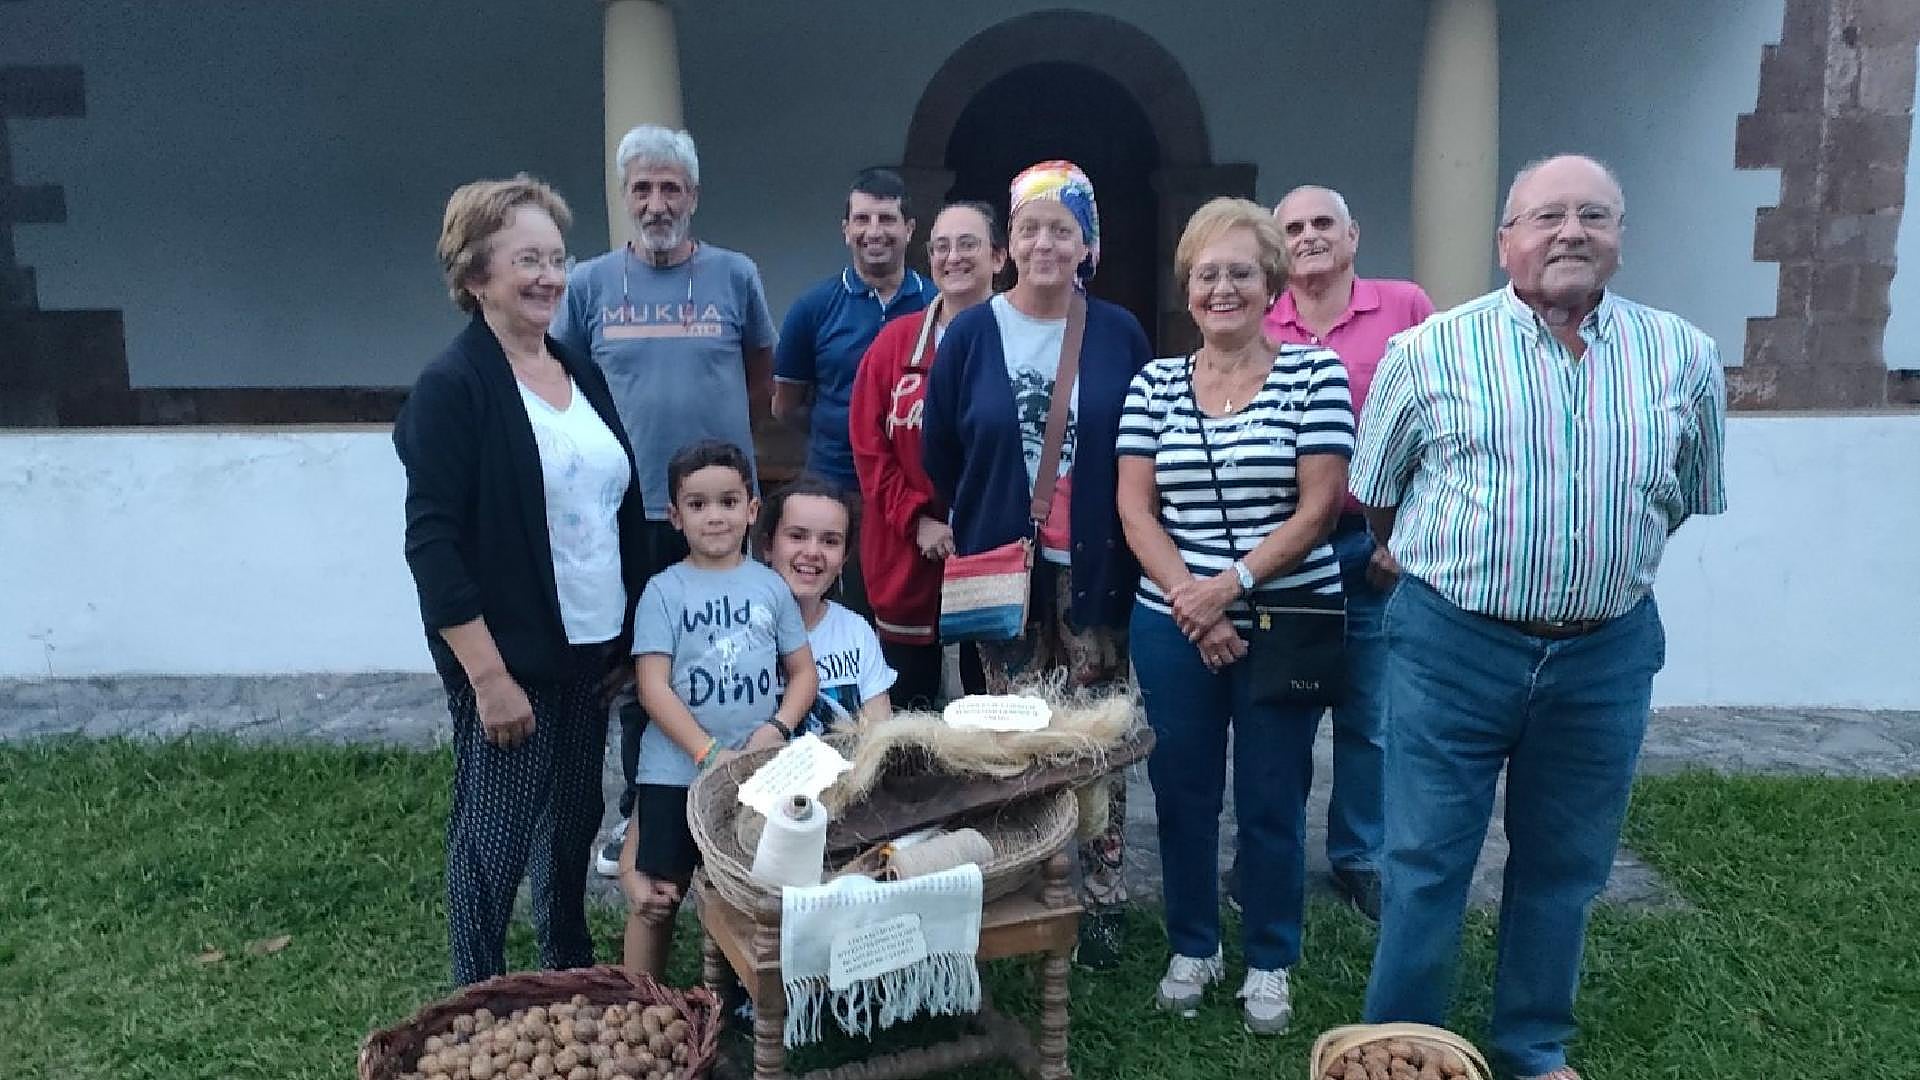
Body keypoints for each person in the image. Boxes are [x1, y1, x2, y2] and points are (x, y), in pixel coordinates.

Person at [1353, 155, 1727, 1080]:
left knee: (1564, 865)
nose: (1571, 233)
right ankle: (1401, 1049)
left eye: (1594, 215)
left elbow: (1681, 495)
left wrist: (1585, 561)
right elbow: (1377, 497)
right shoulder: (1429, 351)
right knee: (1427, 861)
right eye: (1548, 216)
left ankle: (1530, 1046)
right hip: (1453, 644)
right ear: (1505, 240)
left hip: (1605, 652)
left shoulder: (1684, 353)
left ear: (1619, 239)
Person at [394, 175, 648, 985]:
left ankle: (564, 969)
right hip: (509, 657)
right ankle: (477, 995)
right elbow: (431, 544)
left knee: (573, 821)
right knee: (493, 838)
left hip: (588, 645)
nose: (548, 276)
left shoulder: (575, 369)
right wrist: (488, 677)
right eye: (525, 260)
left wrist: (629, 630)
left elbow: (613, 503)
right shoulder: (453, 388)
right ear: (476, 278)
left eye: (555, 258)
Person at [1117, 197, 1352, 1034]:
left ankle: (1270, 959)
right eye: (1207, 274)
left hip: (1286, 617)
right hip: (1174, 620)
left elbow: (1318, 509)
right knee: (1181, 791)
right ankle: (1192, 945)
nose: (1223, 288)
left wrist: (1231, 588)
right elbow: (1136, 511)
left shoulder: (1314, 375)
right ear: (1189, 289)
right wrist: (1195, 600)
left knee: (1272, 793)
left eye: (1240, 273)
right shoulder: (1153, 384)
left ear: (1271, 285)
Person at [921, 160, 1151, 969]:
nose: (1045, 243)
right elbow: (942, 449)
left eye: (1064, 228)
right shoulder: (971, 332)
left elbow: (1140, 443)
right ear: (1007, 244)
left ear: (1088, 243)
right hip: (1001, 569)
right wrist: (988, 517)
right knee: (1017, 731)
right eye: (1030, 228)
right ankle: (1028, 877)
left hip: (1096, 566)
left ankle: (1102, 889)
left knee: (1098, 731)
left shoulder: (1119, 331)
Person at [548, 124, 779, 880]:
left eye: (670, 187)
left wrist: (721, 472)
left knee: (731, 646)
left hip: (718, 509)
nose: (656, 203)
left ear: (694, 195)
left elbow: (757, 377)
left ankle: (736, 790)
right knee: (638, 665)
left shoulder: (735, 276)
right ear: (625, 196)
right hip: (627, 511)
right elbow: (566, 386)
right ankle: (640, 812)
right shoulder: (587, 288)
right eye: (642, 188)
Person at [1241, 186, 1434, 921]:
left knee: (1369, 716)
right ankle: (1271, 852)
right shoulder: (1263, 320)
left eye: (1324, 223)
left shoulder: (1405, 309)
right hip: (1288, 551)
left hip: (1374, 546)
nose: (1310, 236)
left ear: (1354, 234)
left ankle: (1360, 857)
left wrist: (1405, 537)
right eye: (1293, 227)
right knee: (1280, 712)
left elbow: (1446, 426)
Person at [619, 440, 817, 978]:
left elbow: (803, 673)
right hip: (677, 772)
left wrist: (778, 726)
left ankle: (734, 1003)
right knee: (658, 893)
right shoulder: (663, 591)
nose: (715, 517)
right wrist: (706, 753)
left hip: (754, 774)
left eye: (728, 502)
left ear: (752, 510)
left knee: (745, 890)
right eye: (698, 504)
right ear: (675, 515)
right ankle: (637, 1002)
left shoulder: (771, 587)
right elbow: (653, 687)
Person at [848, 201, 1007, 709]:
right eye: (941, 246)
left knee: (987, 707)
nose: (953, 257)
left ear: (999, 257)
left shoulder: (1018, 341)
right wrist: (917, 521)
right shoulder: (894, 344)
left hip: (994, 552)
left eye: (968, 244)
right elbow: (870, 448)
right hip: (905, 550)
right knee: (907, 712)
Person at [773, 167, 934, 613]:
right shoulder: (813, 308)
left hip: (915, 495)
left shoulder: (936, 304)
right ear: (846, 230)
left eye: (886, 219)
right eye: (862, 220)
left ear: (909, 229)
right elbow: (787, 406)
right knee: (836, 610)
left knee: (908, 616)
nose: (874, 232)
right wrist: (843, 431)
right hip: (835, 486)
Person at [756, 476, 897, 733]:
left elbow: (880, 735)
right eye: (797, 536)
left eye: (830, 541)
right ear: (768, 545)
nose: (812, 552)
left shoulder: (856, 632)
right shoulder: (736, 629)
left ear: (844, 559)